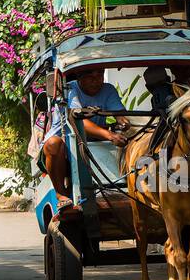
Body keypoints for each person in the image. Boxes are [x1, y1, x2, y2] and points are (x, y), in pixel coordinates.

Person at [40, 68, 127, 205]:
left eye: (100, 74)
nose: (96, 80)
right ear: (79, 77)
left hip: (91, 142)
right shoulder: (70, 89)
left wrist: (124, 122)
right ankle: (61, 194)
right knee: (53, 144)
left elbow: (120, 115)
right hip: (64, 144)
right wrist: (109, 135)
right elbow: (78, 121)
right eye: (90, 76)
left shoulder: (108, 90)